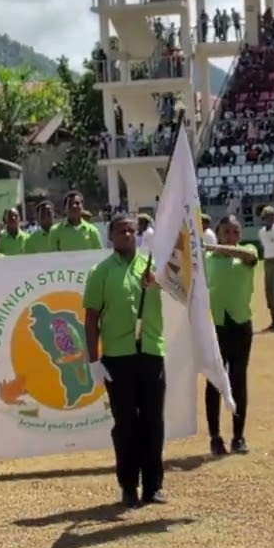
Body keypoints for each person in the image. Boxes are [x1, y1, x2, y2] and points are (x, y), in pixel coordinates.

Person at [84, 213, 167, 508]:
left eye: (132, 230)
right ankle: (129, 485)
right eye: (121, 231)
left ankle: (154, 485)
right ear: (111, 236)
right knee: (126, 425)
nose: (127, 235)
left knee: (153, 422)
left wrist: (157, 281)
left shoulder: (154, 267)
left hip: (151, 354)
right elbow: (91, 317)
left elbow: (181, 286)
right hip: (118, 359)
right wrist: (93, 361)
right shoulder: (101, 271)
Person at [204, 215, 258, 456]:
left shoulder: (248, 252)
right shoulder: (207, 259)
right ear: (218, 232)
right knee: (214, 380)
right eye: (226, 231)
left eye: (235, 231)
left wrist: (211, 245)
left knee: (238, 379)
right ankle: (215, 437)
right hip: (216, 325)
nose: (231, 236)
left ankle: (238, 436)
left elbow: (249, 257)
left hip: (240, 324)